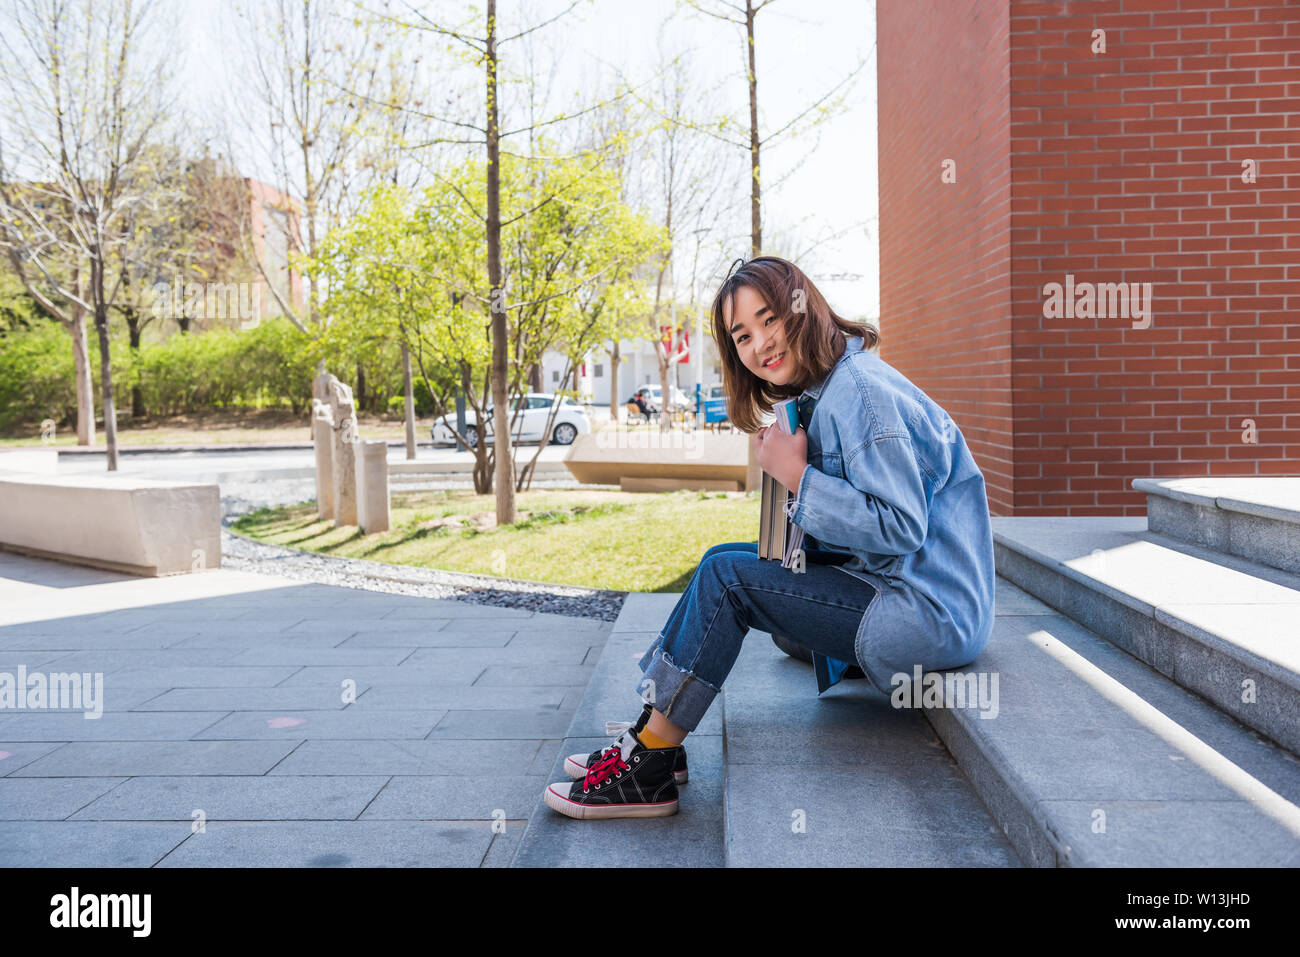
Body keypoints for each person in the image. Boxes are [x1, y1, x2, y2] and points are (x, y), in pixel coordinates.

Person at [544, 255, 996, 820]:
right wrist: (792, 494)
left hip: (927, 613)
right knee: (723, 558)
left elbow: (900, 527)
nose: (761, 343)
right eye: (742, 335)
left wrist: (799, 478)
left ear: (803, 308)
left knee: (726, 580)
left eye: (770, 318)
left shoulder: (861, 394)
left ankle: (651, 765)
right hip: (903, 592)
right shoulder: (830, 388)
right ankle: (654, 732)